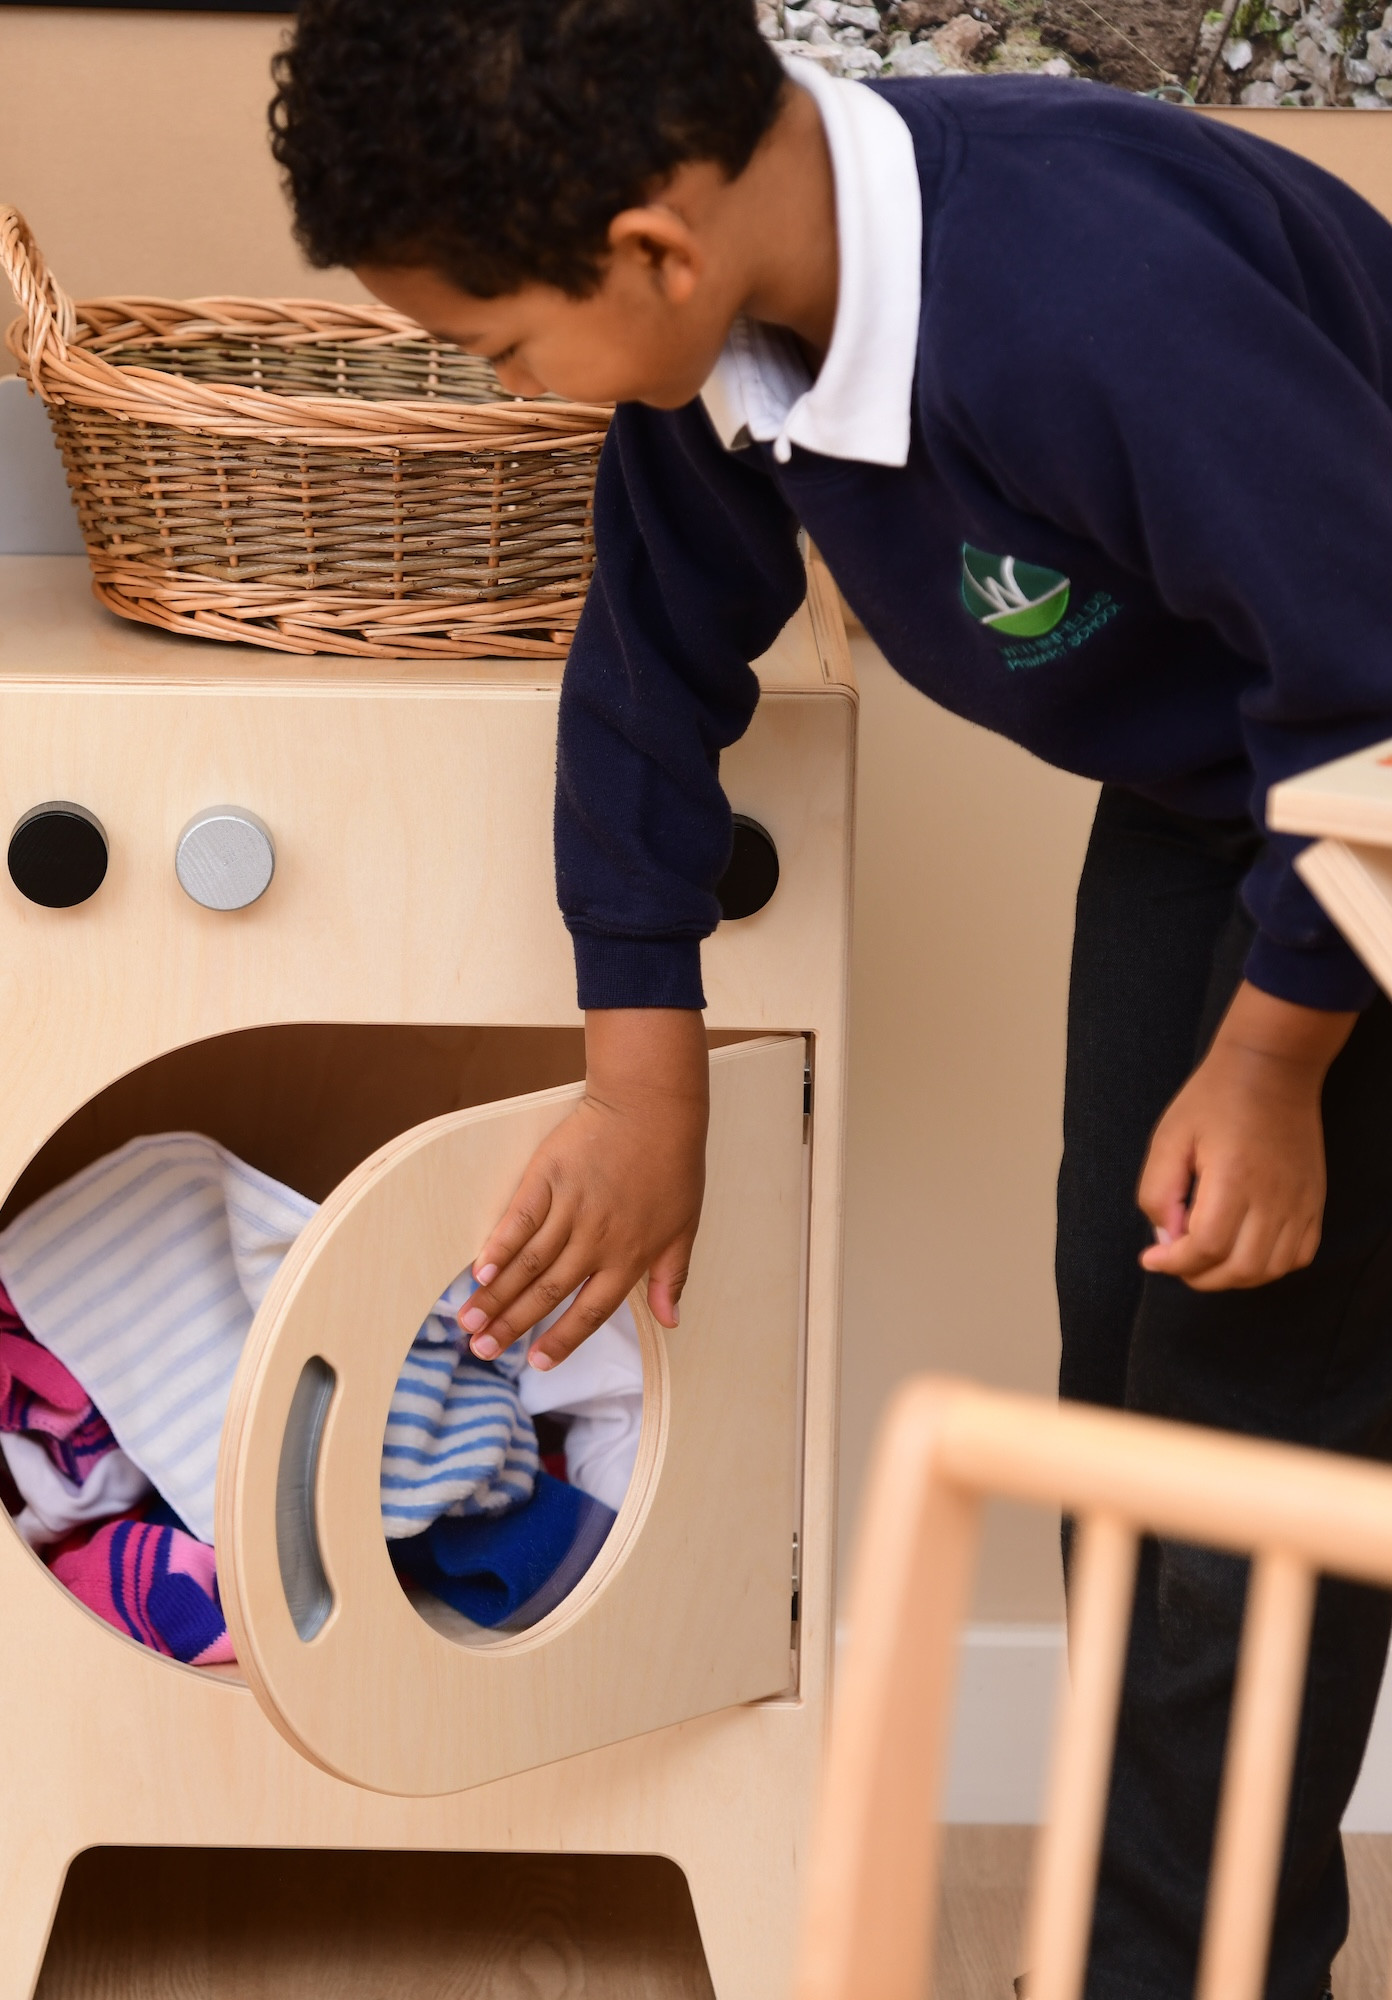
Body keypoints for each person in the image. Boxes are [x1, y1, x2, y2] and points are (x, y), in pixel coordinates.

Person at [270, 5, 1392, 1995]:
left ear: (651, 248)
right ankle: (1174, 1943)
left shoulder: (1087, 297)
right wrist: (645, 1096)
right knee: (1126, 1366)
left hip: (1366, 790)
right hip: (1229, 784)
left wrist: (1272, 1050)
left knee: (1247, 1442)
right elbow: (643, 690)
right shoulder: (736, 354)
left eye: (500, 340)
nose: (506, 384)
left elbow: (1378, 684)